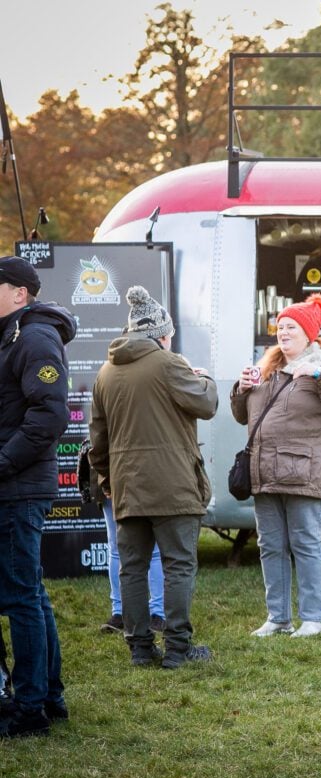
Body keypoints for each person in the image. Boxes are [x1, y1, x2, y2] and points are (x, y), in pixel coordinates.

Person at [89, 286, 219, 670]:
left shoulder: (106, 372)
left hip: (127, 488)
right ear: (162, 333)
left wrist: (108, 477)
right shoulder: (169, 363)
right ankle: (178, 649)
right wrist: (206, 377)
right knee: (179, 564)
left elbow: (98, 441)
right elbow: (207, 403)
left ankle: (140, 649)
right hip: (174, 486)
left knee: (132, 568)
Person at [231, 294, 321, 638]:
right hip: (265, 472)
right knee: (270, 545)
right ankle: (277, 618)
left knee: (305, 542)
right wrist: (241, 389)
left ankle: (312, 619)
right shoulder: (266, 369)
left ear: (309, 334)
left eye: (291, 327)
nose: (283, 332)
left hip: (306, 472)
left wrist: (319, 374)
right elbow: (242, 415)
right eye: (281, 327)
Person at [0, 256, 73, 737]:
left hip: (17, 488)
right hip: (13, 486)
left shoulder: (34, 337)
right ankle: (50, 694)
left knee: (19, 596)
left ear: (19, 293)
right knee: (30, 593)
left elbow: (48, 418)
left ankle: (30, 710)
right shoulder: (12, 335)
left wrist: (1, 464)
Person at [100, 496, 165, 635]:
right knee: (116, 548)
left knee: (153, 549)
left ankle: (157, 613)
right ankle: (119, 612)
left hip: (142, 485)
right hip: (111, 487)